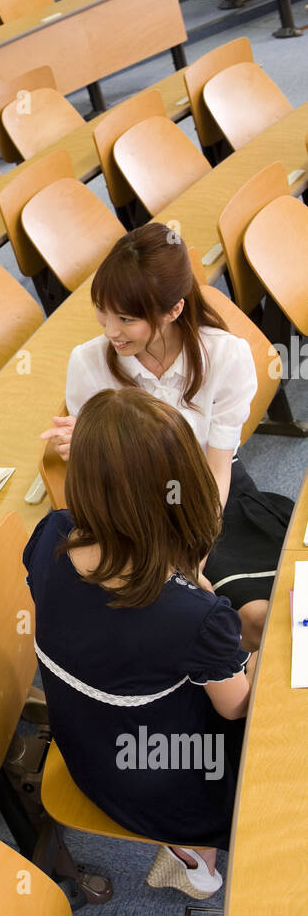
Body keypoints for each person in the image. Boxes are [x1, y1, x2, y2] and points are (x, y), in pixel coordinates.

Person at [25, 390, 258, 900]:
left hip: (83, 747)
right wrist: (256, 657)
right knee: (273, 729)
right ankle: (192, 854)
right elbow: (238, 706)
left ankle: (190, 851)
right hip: (154, 783)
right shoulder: (195, 618)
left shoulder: (52, 532)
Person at [41, 222, 292, 651]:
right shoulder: (88, 363)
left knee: (273, 612)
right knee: (245, 620)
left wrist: (195, 555)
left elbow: (217, 467)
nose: (109, 330)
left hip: (212, 492)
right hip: (136, 503)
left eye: (126, 318)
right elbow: (101, 477)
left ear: (173, 310)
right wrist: (87, 450)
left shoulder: (225, 356)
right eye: (102, 311)